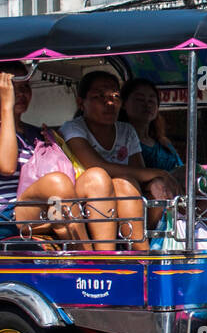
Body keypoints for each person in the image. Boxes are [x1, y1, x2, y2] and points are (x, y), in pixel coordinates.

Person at [0, 62, 117, 248]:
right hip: (5, 216)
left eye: (25, 87)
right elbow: (6, 166)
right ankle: (88, 259)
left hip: (50, 206)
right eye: (13, 88)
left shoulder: (34, 132)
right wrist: (6, 107)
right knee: (57, 183)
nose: (21, 94)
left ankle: (106, 261)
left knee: (97, 177)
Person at [60, 71, 179, 251]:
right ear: (81, 103)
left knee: (130, 185)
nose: (109, 103)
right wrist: (157, 172)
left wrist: (157, 181)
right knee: (104, 178)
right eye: (99, 96)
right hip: (86, 198)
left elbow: (138, 173)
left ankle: (142, 255)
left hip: (125, 197)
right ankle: (115, 255)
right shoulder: (73, 128)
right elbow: (96, 165)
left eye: (115, 96)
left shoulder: (126, 131)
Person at [120, 78, 183, 173]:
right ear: (123, 104)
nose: (147, 105)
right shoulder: (120, 142)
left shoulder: (163, 143)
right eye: (140, 99)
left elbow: (181, 169)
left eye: (151, 100)